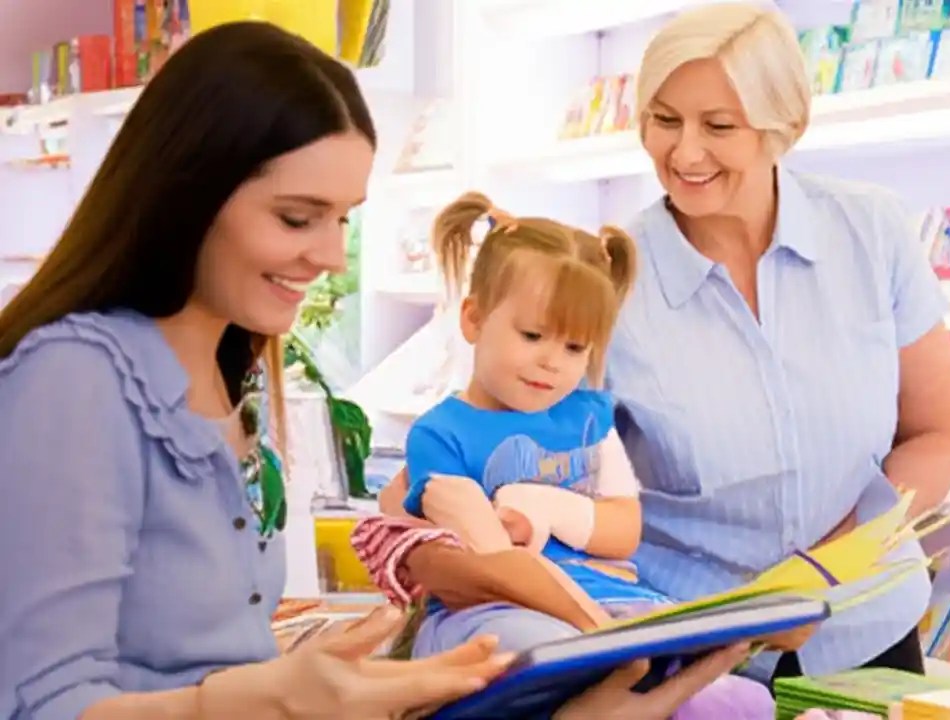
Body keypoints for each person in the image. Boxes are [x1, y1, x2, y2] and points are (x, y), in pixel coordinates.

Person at [0, 20, 747, 720]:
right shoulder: (77, 379)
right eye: (297, 217)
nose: (329, 257)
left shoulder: (228, 380)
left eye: (343, 218)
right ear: (187, 192)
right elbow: (46, 704)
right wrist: (273, 699)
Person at [605, 2, 950, 684]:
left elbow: (937, 433)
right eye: (663, 120)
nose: (684, 153)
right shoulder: (608, 280)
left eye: (718, 126)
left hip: (869, 637)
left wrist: (825, 572)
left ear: (786, 127)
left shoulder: (872, 232)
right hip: (691, 668)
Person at [390, 192, 775, 717]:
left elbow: (623, 531)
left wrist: (550, 510)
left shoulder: (588, 416)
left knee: (739, 697)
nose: (551, 363)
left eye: (575, 348)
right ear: (474, 319)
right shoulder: (440, 434)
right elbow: (481, 561)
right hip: (491, 612)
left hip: (609, 603)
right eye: (532, 336)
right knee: (544, 649)